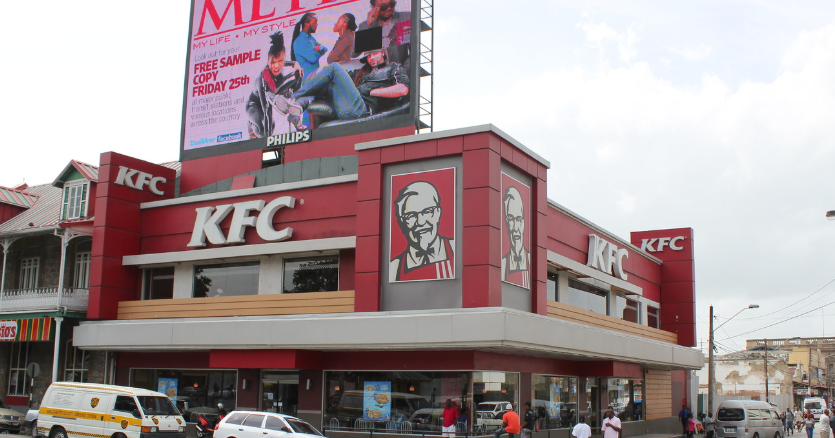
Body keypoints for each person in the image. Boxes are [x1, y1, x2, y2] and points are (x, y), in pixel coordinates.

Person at [292, 48, 409, 122]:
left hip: (363, 110)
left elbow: (403, 89)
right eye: (368, 56)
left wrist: (371, 91)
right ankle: (298, 104)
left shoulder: (393, 67)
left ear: (383, 52)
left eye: (374, 53)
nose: (371, 58)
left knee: (335, 67)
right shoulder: (360, 73)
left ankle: (293, 97)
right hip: (344, 107)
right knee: (327, 81)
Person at [388, 180, 454, 281]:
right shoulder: (393, 269)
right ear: (402, 221)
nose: (420, 222)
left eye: (427, 211)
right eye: (411, 215)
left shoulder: (457, 250)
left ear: (438, 213)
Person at [246, 31, 307, 138]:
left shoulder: (282, 70)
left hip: (270, 103)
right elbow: (267, 110)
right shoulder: (262, 80)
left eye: (280, 61)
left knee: (271, 126)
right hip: (254, 106)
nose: (276, 66)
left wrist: (296, 65)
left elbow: (297, 89)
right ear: (268, 61)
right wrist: (268, 141)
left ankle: (294, 119)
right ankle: (251, 126)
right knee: (263, 131)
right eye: (272, 62)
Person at [358, 0, 411, 66]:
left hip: (402, 72)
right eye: (383, 6)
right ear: (374, 7)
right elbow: (355, 54)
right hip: (377, 74)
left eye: (392, 4)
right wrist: (369, 27)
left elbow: (416, 50)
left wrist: (403, 71)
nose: (389, 8)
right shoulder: (364, 26)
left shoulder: (407, 17)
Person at [501, 186, 530, 286]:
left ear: (524, 222)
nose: (515, 228)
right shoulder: (502, 264)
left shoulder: (532, 263)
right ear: (506, 221)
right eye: (511, 219)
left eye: (518, 219)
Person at [291, 13, 327, 81]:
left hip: (315, 79)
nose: (317, 24)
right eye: (315, 22)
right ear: (306, 24)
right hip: (308, 81)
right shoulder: (300, 40)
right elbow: (313, 58)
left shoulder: (311, 39)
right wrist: (319, 50)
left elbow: (325, 48)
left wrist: (319, 48)